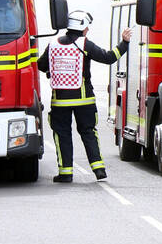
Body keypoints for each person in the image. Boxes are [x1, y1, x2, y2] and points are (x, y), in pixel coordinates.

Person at [38, 10, 130, 183]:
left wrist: (54, 69)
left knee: (62, 134)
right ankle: (99, 169)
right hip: (84, 100)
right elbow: (109, 58)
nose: (88, 30)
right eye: (87, 27)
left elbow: (41, 65)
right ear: (82, 27)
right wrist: (124, 43)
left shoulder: (53, 44)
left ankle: (65, 173)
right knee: (88, 132)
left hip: (60, 101)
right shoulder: (85, 44)